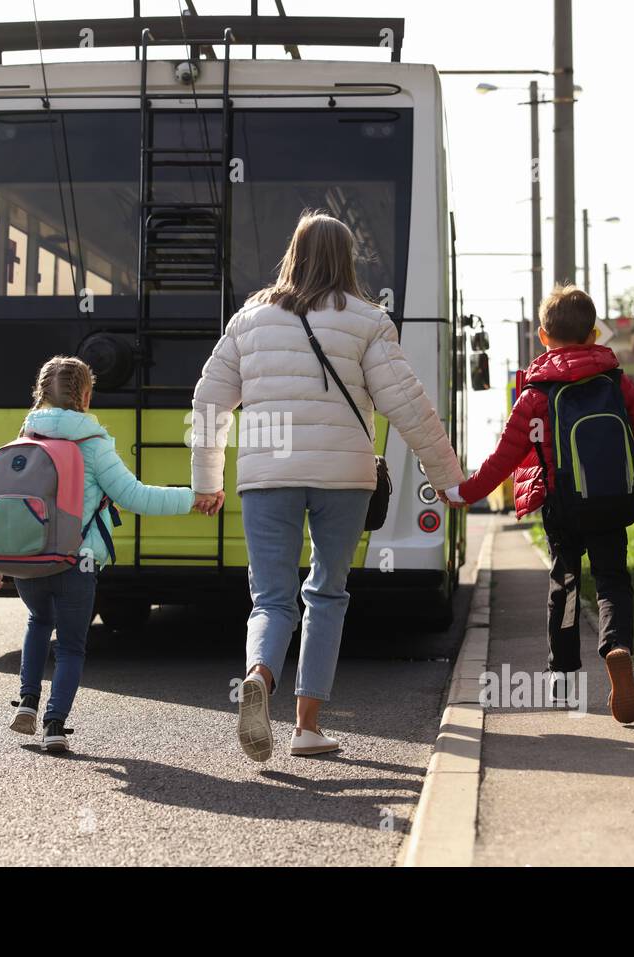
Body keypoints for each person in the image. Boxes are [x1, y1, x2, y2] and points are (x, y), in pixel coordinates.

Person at [190, 211, 464, 762]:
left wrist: (206, 479)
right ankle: (307, 726)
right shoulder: (367, 320)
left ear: (294, 253)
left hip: (267, 476)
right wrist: (449, 480)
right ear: (348, 259)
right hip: (343, 476)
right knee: (326, 593)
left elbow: (209, 401)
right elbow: (407, 407)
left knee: (270, 598)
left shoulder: (251, 319)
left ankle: (259, 677)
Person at [447, 285, 634, 724]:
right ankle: (617, 646)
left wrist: (465, 493)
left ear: (543, 336)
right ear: (594, 334)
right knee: (612, 580)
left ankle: (564, 677)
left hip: (562, 506)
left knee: (564, 583)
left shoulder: (536, 395)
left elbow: (503, 458)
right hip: (612, 501)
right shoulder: (618, 383)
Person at [0, 356, 218, 753]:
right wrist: (191, 499)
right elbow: (134, 496)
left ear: (40, 394)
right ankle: (54, 725)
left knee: (38, 621)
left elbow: (4, 503)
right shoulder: (93, 445)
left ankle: (27, 701)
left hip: (27, 558)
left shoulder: (24, 439)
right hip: (78, 560)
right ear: (87, 396)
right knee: (72, 645)